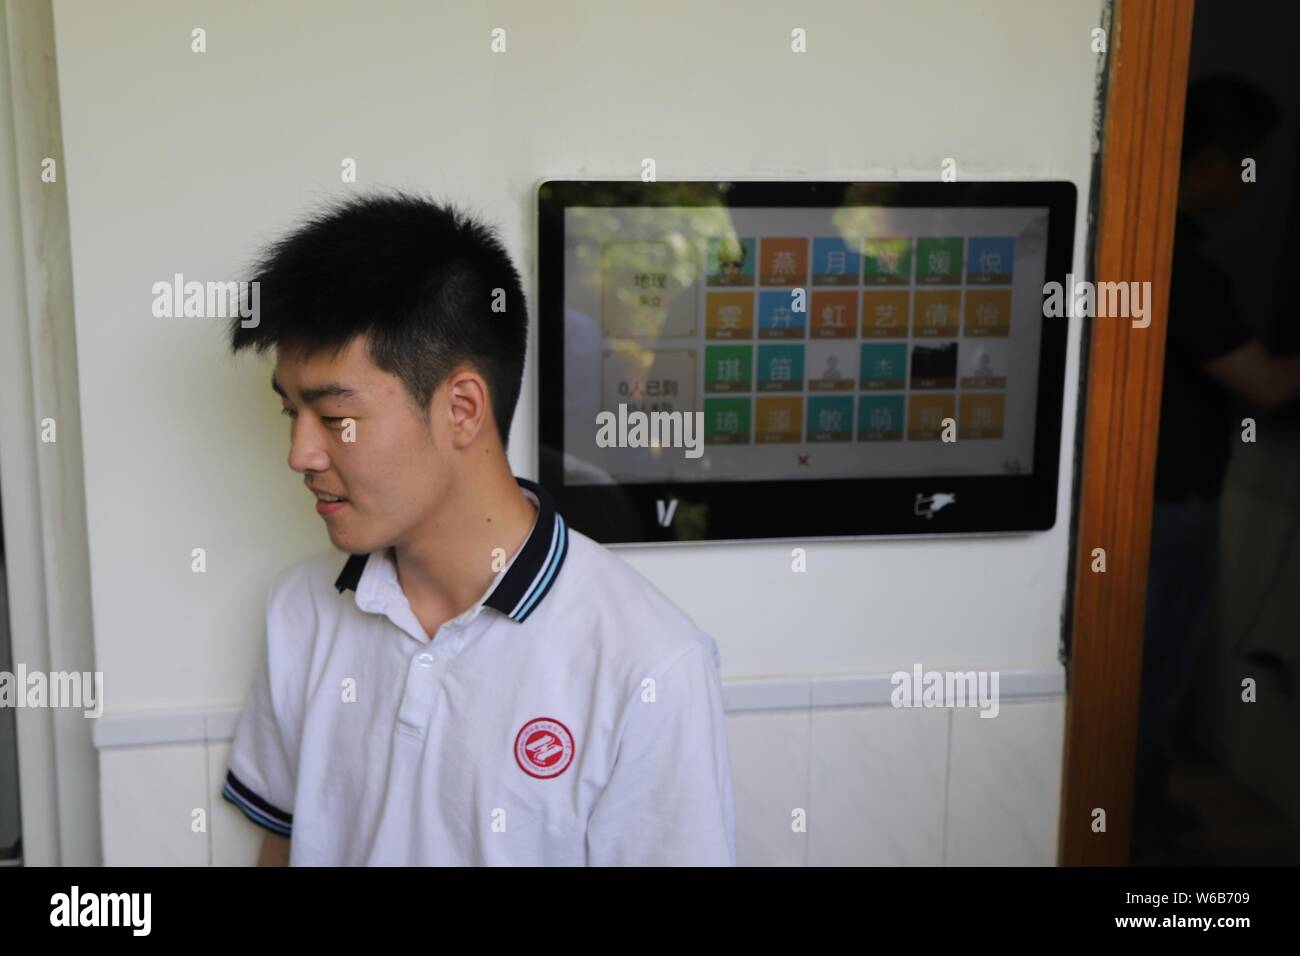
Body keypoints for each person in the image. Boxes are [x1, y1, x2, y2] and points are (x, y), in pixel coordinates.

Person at [221, 191, 736, 866]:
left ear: (462, 408)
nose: (301, 454)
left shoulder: (648, 662)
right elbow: (284, 844)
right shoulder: (303, 611)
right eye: (292, 412)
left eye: (334, 416)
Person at [1132, 75, 1300, 859]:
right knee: (1154, 670)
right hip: (1168, 507)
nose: (1248, 179)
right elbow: (1263, 384)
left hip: (1146, 499)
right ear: (1202, 163)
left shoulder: (1143, 243)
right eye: (1243, 163)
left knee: (1149, 670)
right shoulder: (1187, 272)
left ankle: (1133, 812)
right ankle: (1130, 827)